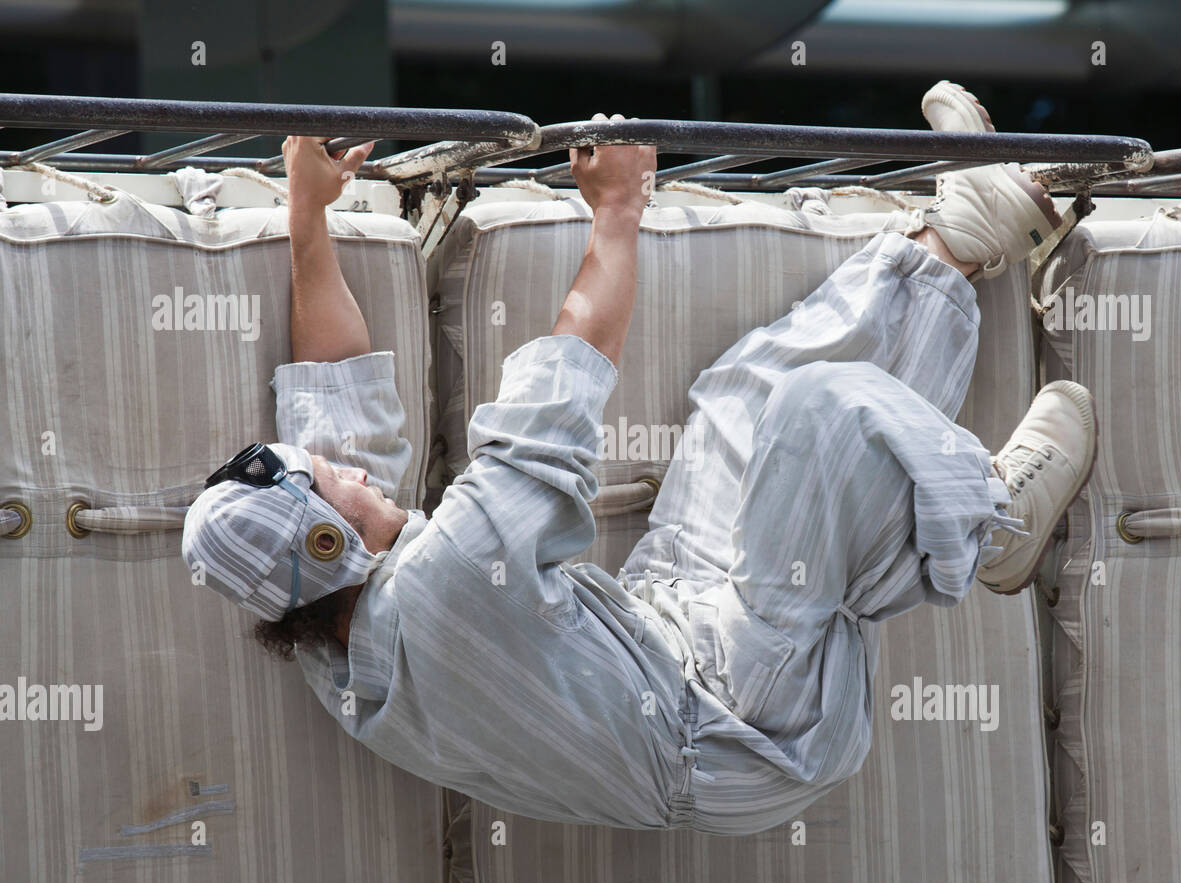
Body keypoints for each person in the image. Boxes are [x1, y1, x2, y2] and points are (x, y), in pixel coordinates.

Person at [182, 83, 1096, 835]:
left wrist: (309, 213)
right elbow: (569, 371)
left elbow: (332, 386)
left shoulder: (330, 634)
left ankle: (969, 235)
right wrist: (619, 208)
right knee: (820, 413)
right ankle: (993, 526)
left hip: (673, 632)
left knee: (741, 401)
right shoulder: (441, 583)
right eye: (343, 487)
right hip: (747, 723)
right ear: (333, 545)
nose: (359, 473)